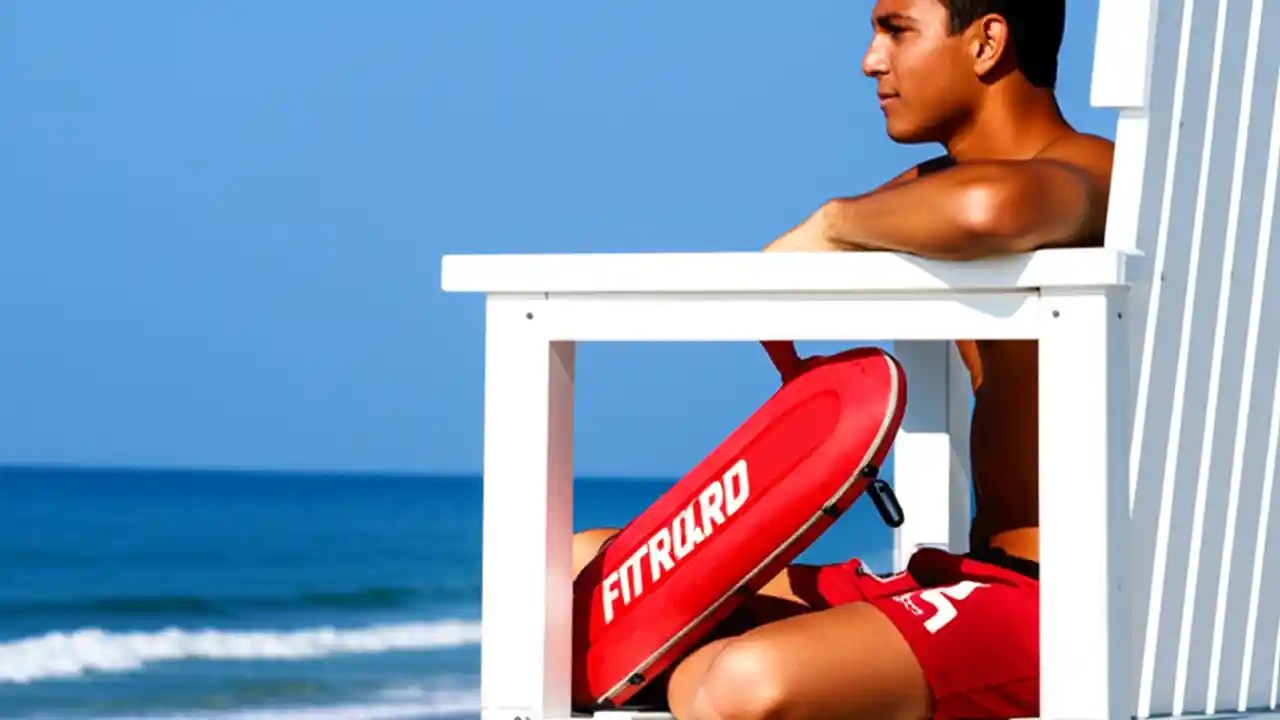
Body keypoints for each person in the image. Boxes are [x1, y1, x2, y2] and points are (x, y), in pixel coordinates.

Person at [572, 0, 1114, 718]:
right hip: (965, 584)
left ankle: (694, 677)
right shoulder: (927, 193)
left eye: (896, 30)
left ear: (987, 42)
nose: (870, 61)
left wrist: (834, 222)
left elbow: (992, 210)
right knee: (588, 571)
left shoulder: (1100, 174)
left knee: (739, 680)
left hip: (1061, 611)